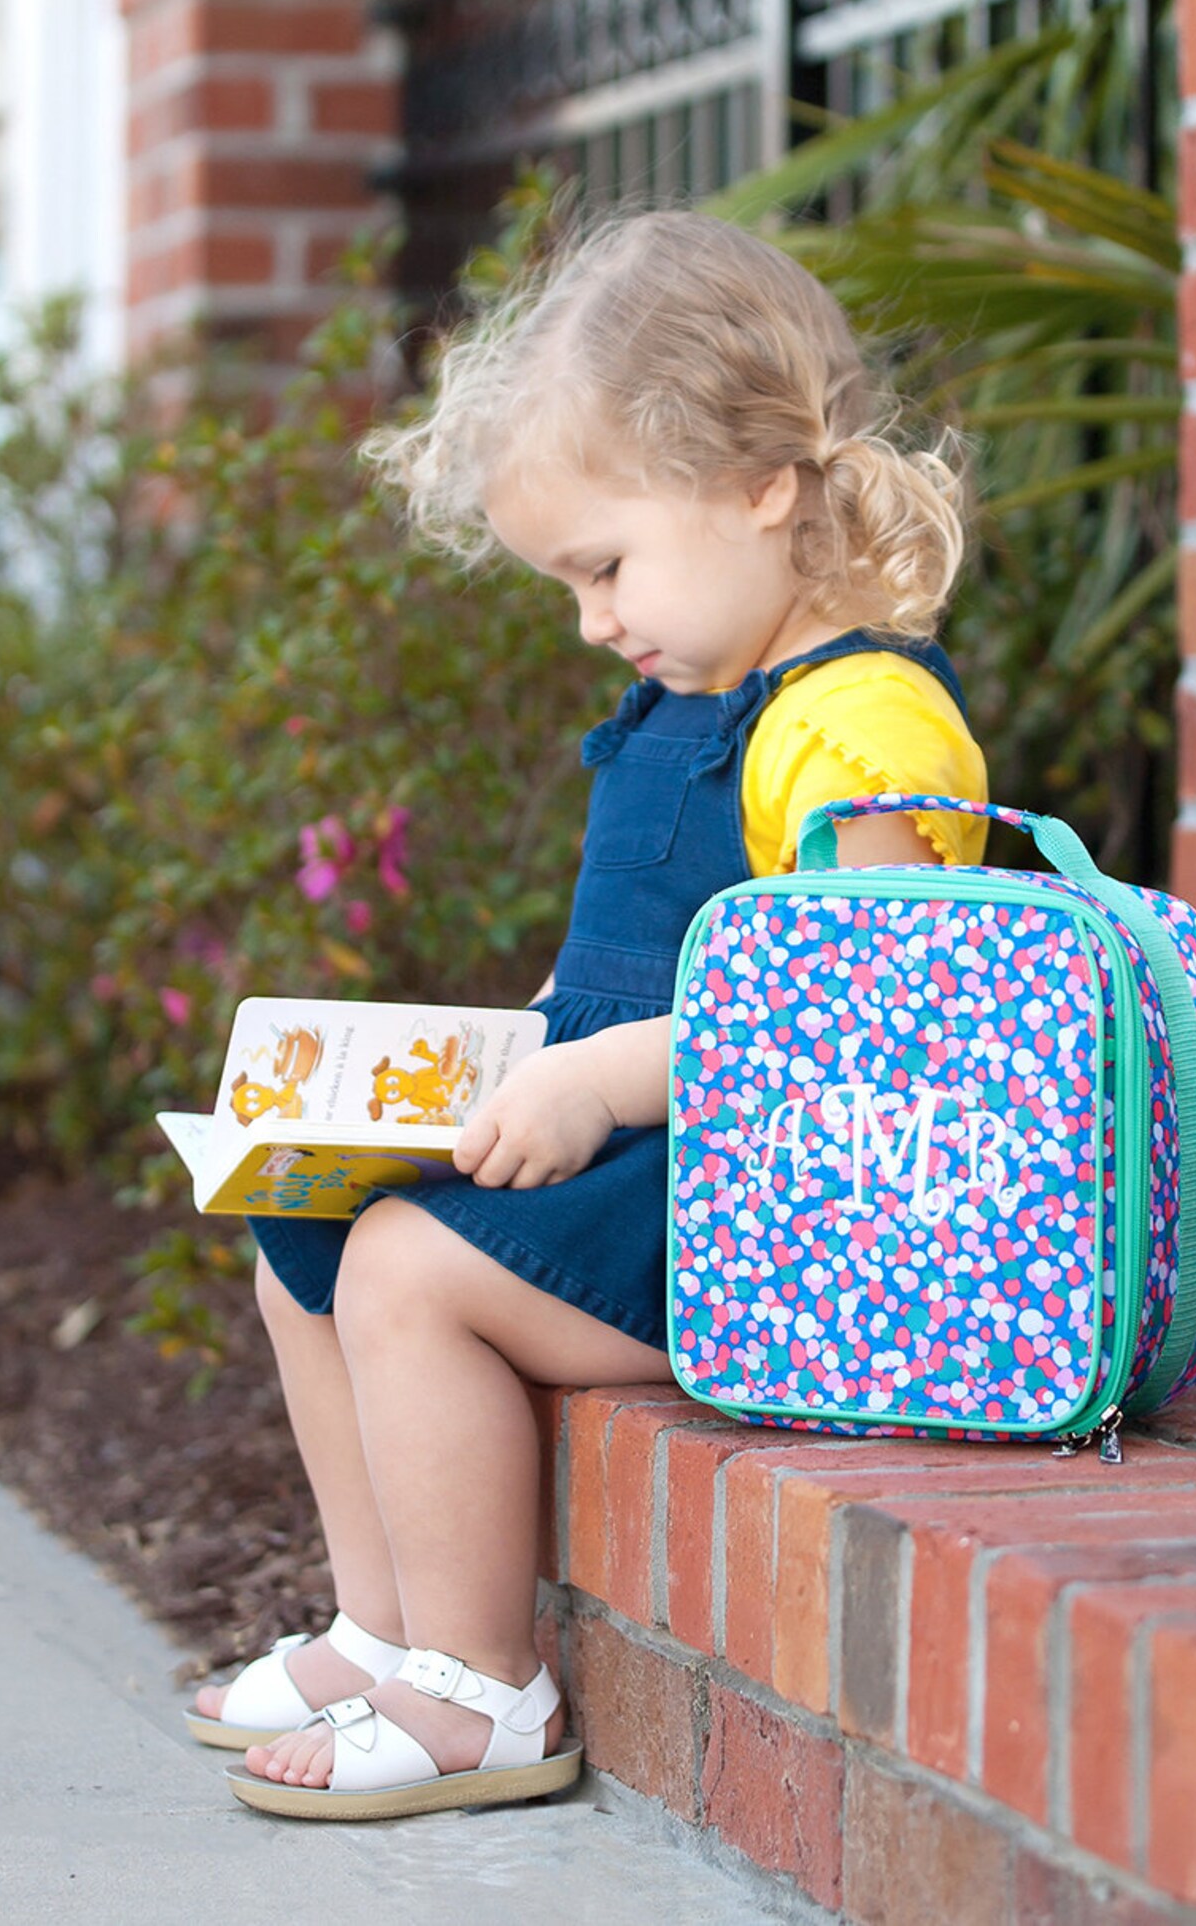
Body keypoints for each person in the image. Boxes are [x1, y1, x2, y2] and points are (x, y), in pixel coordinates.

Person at [192, 210, 988, 1820]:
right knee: (303, 1231)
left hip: (788, 1215)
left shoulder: (857, 725)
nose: (589, 618)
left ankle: (483, 1687)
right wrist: (501, 1060)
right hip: (662, 1156)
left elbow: (867, 1029)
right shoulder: (688, 701)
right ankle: (383, 1625)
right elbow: (622, 962)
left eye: (605, 566)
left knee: (411, 1268)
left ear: (763, 480)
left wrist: (610, 1074)